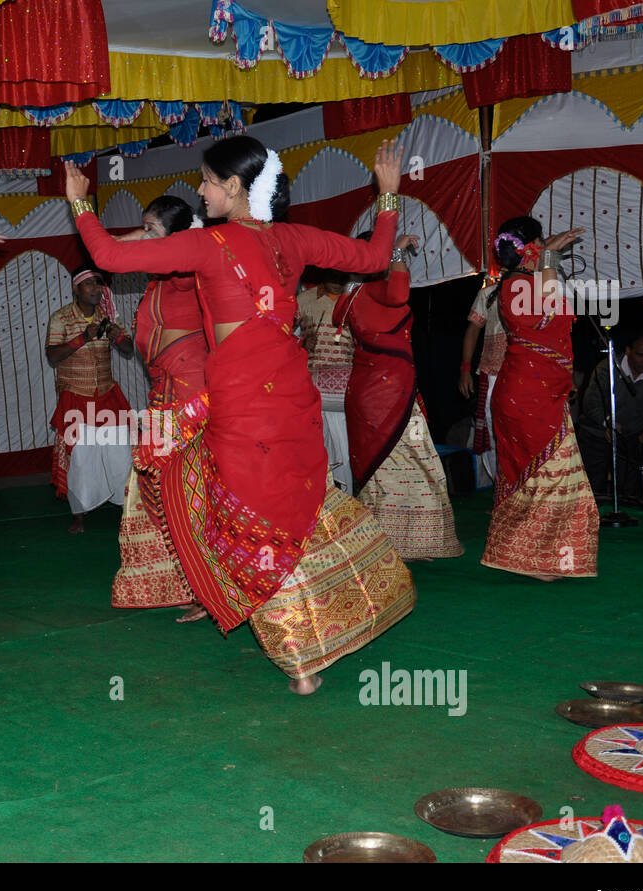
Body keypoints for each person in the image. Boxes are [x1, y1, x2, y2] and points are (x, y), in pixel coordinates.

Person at [64, 136, 417, 695]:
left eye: (206, 179)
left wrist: (80, 203)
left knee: (255, 518)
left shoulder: (210, 245)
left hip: (243, 402)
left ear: (232, 185)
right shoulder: (292, 239)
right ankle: (322, 621)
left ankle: (299, 655)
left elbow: (108, 257)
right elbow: (374, 258)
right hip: (289, 393)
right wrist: (390, 196)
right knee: (297, 502)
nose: (200, 190)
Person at [480, 216, 599, 580]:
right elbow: (548, 316)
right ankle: (528, 557)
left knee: (542, 478)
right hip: (527, 394)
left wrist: (548, 260)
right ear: (531, 247)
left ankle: (531, 555)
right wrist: (549, 258)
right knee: (546, 477)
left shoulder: (523, 282)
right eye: (542, 242)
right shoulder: (516, 285)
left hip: (537, 390)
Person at [107, 196, 208, 622]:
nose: (144, 236)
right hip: (164, 391)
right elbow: (116, 253)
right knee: (160, 486)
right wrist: (148, 233)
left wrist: (151, 238)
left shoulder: (184, 268)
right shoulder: (158, 278)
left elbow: (119, 253)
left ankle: (211, 587)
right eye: (142, 226)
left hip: (189, 392)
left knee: (192, 487)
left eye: (152, 227)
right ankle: (188, 581)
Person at [348, 235, 463, 561]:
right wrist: (395, 250)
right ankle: (392, 542)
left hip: (385, 389)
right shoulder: (370, 289)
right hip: (383, 394)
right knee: (398, 462)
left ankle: (408, 542)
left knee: (409, 460)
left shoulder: (362, 292)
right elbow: (399, 293)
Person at [44, 266, 134, 533]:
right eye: (89, 284)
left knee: (121, 454)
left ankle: (128, 509)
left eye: (99, 284)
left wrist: (117, 335)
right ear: (76, 288)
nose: (96, 289)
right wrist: (83, 337)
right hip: (76, 396)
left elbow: (128, 349)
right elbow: (52, 356)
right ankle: (79, 515)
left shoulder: (108, 316)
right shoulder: (60, 318)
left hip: (108, 394)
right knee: (82, 457)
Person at [577, 331, 643, 499]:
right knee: (592, 486)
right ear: (628, 351)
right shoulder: (606, 368)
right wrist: (608, 422)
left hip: (629, 438)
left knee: (628, 489)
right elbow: (591, 402)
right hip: (596, 434)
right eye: (641, 355)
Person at [295, 268, 355, 489]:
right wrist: (302, 342)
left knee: (345, 444)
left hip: (345, 387)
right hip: (313, 386)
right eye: (334, 276)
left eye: (343, 277)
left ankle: (346, 494)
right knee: (316, 444)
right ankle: (322, 494)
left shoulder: (353, 301)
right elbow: (284, 336)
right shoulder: (304, 300)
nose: (339, 281)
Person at [458, 279, 506, 486]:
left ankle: (522, 495)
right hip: (492, 370)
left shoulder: (536, 289)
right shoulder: (489, 293)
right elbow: (473, 330)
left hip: (525, 369)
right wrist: (465, 370)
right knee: (493, 429)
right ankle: (500, 493)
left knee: (520, 430)